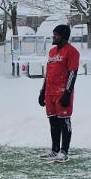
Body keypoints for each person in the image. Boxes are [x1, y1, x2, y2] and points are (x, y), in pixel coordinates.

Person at [37, 24, 80, 163]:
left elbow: (72, 73)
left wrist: (67, 93)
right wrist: (42, 91)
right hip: (50, 92)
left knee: (64, 121)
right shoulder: (52, 52)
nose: (53, 36)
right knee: (53, 121)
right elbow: (48, 73)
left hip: (62, 92)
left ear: (63, 36)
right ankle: (54, 150)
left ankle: (64, 152)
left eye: (56, 34)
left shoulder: (72, 52)